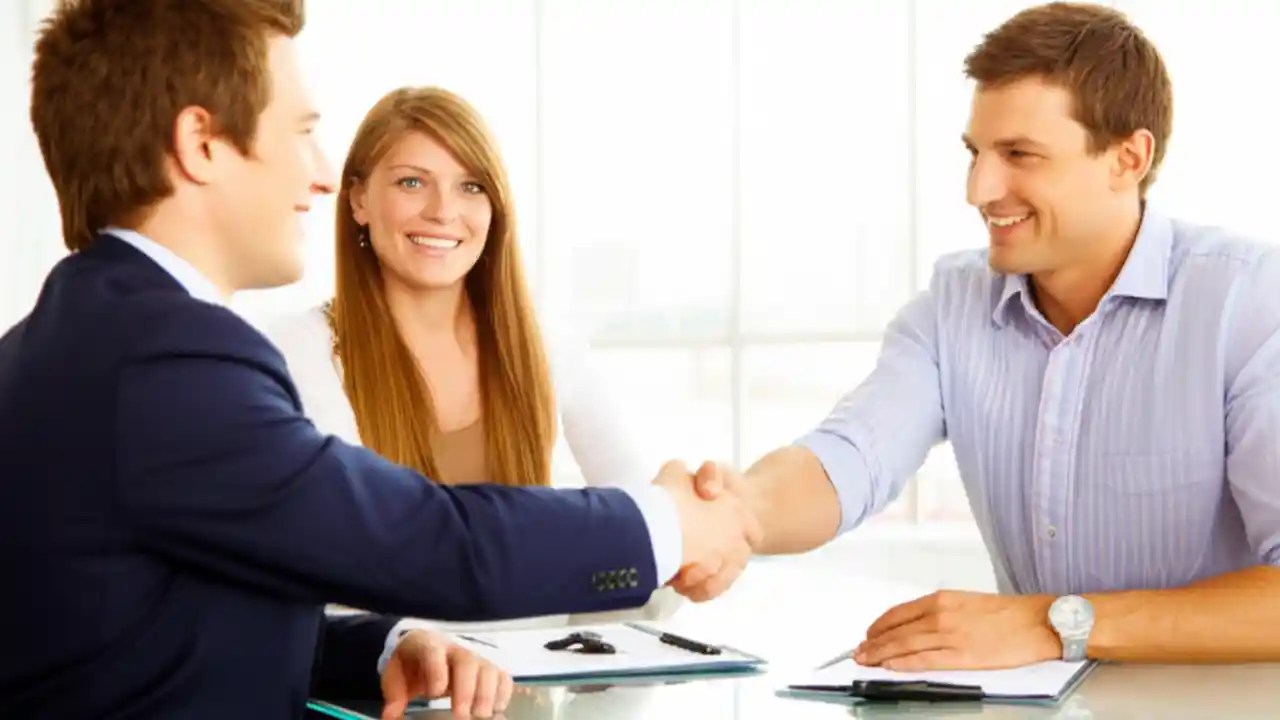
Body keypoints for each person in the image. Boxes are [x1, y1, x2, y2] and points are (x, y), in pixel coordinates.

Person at [0, 1, 760, 718]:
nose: (322, 174)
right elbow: (427, 539)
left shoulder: (80, 335)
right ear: (201, 144)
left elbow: (185, 620)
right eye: (300, 132)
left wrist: (386, 646)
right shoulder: (170, 358)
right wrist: (667, 523)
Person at [683, 1, 1280, 669]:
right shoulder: (955, 304)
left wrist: (1053, 623)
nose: (979, 189)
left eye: (1019, 155)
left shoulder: (1247, 303)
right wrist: (741, 510)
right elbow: (852, 456)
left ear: (1127, 158)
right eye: (976, 153)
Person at [261, 86, 680, 631]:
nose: (443, 212)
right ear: (359, 199)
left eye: (470, 186)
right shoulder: (300, 352)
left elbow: (646, 543)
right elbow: (352, 572)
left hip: (535, 695)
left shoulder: (549, 347)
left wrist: (677, 525)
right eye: (412, 182)